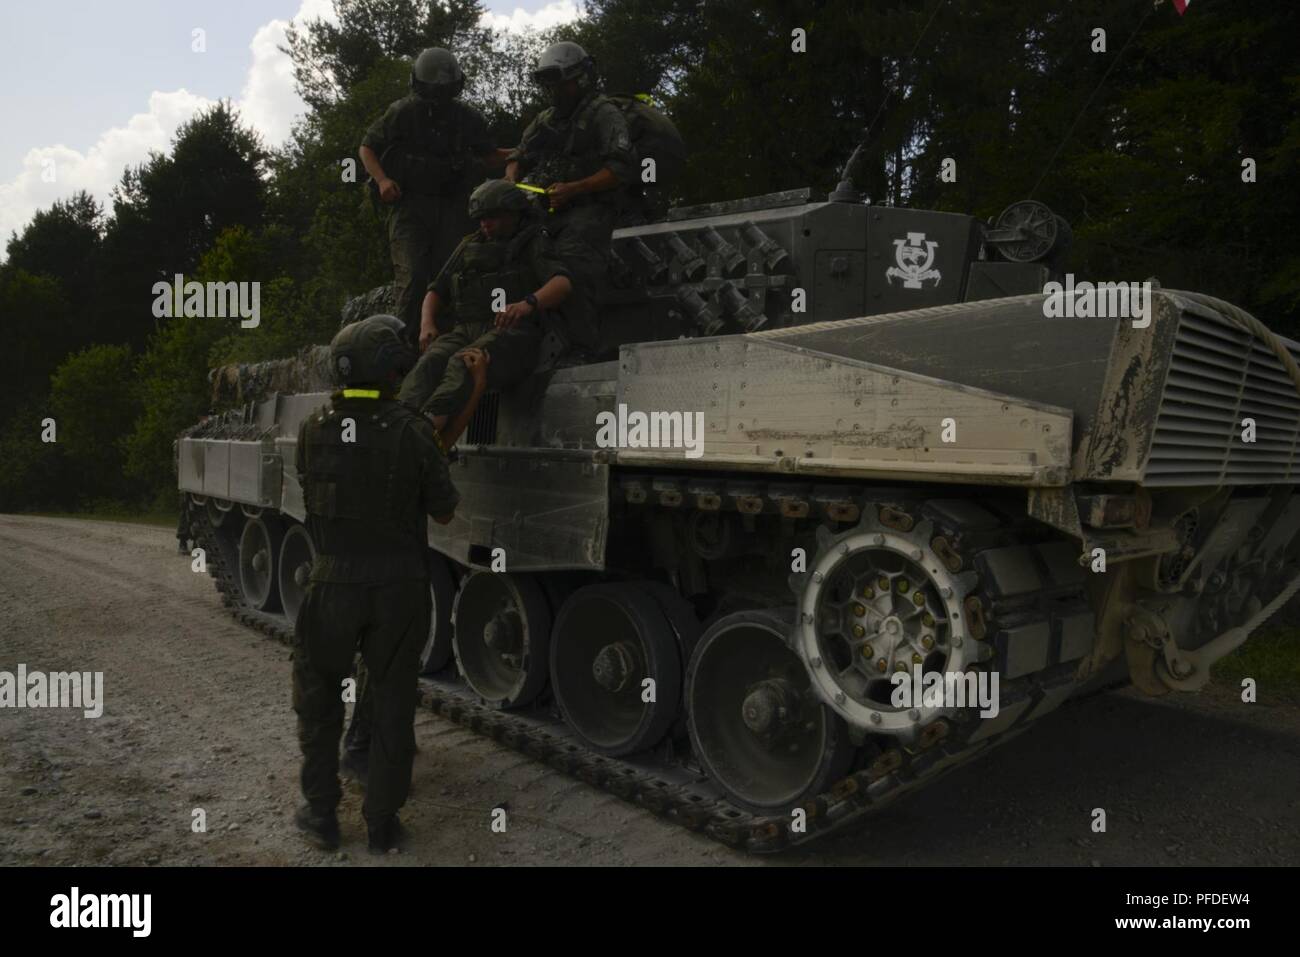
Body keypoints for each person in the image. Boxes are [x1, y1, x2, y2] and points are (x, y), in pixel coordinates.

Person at [291, 313, 489, 854]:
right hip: (397, 588)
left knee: (318, 700)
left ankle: (322, 816)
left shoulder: (313, 429)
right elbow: (445, 514)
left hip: (331, 581)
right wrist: (468, 397)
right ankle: (382, 824)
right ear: (392, 369)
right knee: (393, 702)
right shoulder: (411, 431)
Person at [360, 48, 510, 349]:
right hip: (410, 206)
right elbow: (367, 148)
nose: (439, 96)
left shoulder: (466, 118)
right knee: (413, 278)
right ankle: (401, 353)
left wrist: (522, 152)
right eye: (434, 90)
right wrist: (382, 180)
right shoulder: (402, 112)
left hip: (452, 205)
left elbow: (490, 156)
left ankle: (450, 344)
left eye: (445, 89)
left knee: (453, 277)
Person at [398, 178, 574, 421]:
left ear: (513, 213)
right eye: (481, 219)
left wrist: (527, 304)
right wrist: (427, 324)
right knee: (429, 363)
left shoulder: (531, 242)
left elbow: (562, 283)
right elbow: (436, 290)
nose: (485, 225)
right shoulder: (470, 245)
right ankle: (399, 426)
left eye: (492, 217)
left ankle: (430, 430)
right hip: (466, 330)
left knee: (465, 364)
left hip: (513, 333)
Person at [503, 41, 635, 352]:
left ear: (581, 79)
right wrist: (510, 180)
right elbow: (518, 156)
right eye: (550, 85)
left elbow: (621, 168)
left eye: (561, 84)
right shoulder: (546, 119)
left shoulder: (603, 113)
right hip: (548, 209)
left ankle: (582, 348)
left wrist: (574, 188)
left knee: (572, 261)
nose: (555, 91)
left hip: (592, 207)